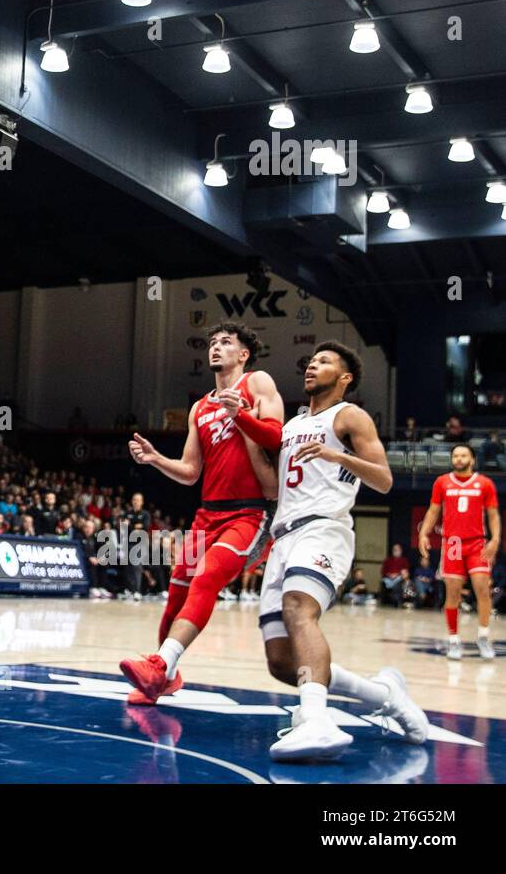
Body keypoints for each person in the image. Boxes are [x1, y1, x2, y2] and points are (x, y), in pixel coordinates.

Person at [257, 342, 427, 761]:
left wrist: (337, 455)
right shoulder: (295, 423)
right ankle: (384, 695)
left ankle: (316, 720)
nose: (313, 366)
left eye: (324, 362)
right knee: (281, 662)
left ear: (345, 377)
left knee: (300, 608)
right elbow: (275, 488)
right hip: (284, 534)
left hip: (324, 529)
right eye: (311, 361)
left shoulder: (349, 416)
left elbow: (385, 480)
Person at [120, 323, 284, 704]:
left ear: (243, 354)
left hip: (250, 513)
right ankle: (163, 678)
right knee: (176, 592)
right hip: (207, 515)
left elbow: (276, 437)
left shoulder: (257, 383)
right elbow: (191, 472)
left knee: (207, 578)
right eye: (212, 342)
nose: (216, 348)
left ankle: (160, 666)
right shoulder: (200, 407)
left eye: (226, 342)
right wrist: (156, 459)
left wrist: (242, 417)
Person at [418, 444, 500, 659]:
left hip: (477, 543)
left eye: (463, 455)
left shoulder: (485, 483)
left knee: (483, 589)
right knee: (452, 593)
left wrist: (495, 539)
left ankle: (483, 637)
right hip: (452, 543)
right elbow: (433, 510)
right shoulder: (442, 482)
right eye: (455, 455)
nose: (459, 459)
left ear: (472, 459)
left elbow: (493, 515)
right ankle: (454, 640)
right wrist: (423, 533)